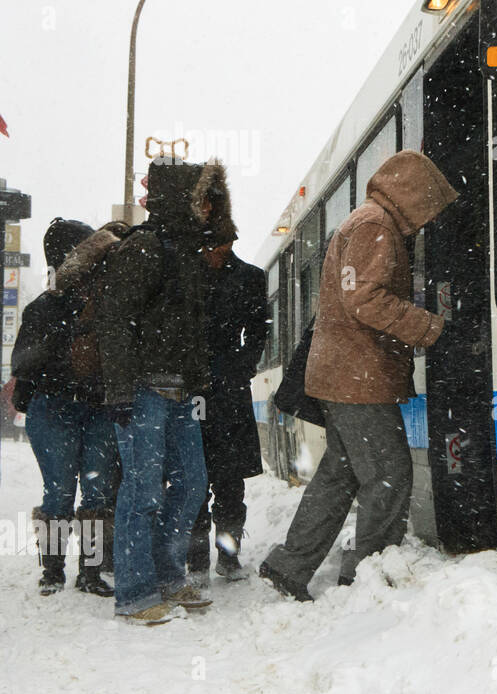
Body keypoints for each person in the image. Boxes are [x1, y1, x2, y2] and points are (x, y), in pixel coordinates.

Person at [260, 150, 457, 601]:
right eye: (428, 203)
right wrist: (430, 327)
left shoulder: (366, 221)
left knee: (340, 473)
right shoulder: (375, 227)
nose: (429, 218)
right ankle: (370, 574)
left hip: (346, 375)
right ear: (411, 194)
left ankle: (291, 565)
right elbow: (365, 300)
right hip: (357, 378)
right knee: (389, 473)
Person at [99, 157, 234, 624]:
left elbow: (192, 331)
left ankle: (169, 576)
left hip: (180, 393)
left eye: (213, 199)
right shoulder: (145, 247)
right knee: (143, 491)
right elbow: (113, 318)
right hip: (141, 389)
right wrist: (118, 388)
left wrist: (199, 385)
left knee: (194, 483)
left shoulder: (187, 253)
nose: (208, 207)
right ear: (179, 198)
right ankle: (134, 594)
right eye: (202, 197)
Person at [12, 218, 118, 597]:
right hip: (61, 408)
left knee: (94, 494)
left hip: (85, 408)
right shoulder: (47, 307)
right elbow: (22, 364)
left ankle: (85, 573)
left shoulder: (98, 302)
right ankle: (56, 571)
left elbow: (23, 366)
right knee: (67, 493)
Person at [187, 237, 267, 585]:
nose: (214, 250)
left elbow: (259, 328)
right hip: (193, 387)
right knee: (192, 477)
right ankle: (196, 560)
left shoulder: (249, 277)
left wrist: (242, 366)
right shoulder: (186, 275)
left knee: (229, 479)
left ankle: (228, 555)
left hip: (229, 389)